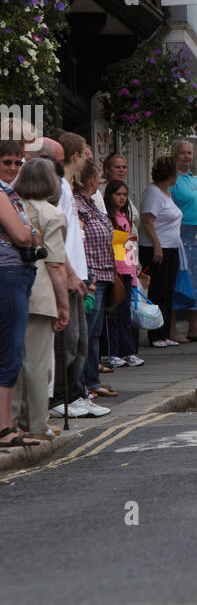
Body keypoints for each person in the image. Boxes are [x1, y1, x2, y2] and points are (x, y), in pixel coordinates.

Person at [47, 133, 108, 418]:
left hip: (78, 275)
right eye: (86, 152)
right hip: (65, 275)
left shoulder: (68, 188)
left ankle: (77, 393)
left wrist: (85, 273)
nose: (90, 157)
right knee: (68, 340)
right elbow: (56, 237)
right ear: (75, 157)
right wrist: (70, 273)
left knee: (81, 340)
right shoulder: (58, 187)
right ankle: (62, 398)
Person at [13, 156, 68, 441]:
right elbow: (56, 265)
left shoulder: (12, 207)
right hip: (40, 293)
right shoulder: (53, 214)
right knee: (36, 364)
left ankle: (12, 423)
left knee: (13, 360)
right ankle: (36, 424)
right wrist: (64, 304)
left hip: (10, 289)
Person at [0, 140, 41, 447]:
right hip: (9, 275)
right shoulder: (1, 193)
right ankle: (4, 427)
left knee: (10, 350)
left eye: (18, 163)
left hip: (15, 275)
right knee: (10, 351)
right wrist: (32, 234)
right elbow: (21, 234)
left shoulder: (9, 192)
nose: (13, 168)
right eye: (7, 162)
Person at [73, 159, 118, 403]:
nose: (99, 181)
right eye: (98, 177)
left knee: (95, 333)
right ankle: (81, 385)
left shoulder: (90, 204)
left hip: (103, 273)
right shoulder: (77, 205)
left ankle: (91, 381)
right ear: (90, 180)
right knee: (87, 333)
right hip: (91, 275)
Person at [169, 141, 197, 341]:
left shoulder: (193, 178)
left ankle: (194, 327)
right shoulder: (173, 180)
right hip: (182, 235)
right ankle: (172, 329)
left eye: (189, 153)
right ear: (174, 155)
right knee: (181, 281)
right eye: (182, 153)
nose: (186, 157)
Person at [139, 156, 183, 347]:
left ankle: (164, 333)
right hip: (156, 249)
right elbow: (147, 220)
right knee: (157, 292)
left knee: (167, 291)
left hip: (171, 249)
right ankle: (155, 335)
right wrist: (157, 245)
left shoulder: (166, 193)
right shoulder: (153, 193)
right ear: (171, 176)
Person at [103, 179, 144, 367]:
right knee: (113, 313)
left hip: (127, 268)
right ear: (110, 195)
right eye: (118, 194)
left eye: (124, 195)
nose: (122, 198)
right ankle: (112, 352)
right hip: (114, 268)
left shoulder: (124, 216)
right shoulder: (107, 216)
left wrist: (134, 272)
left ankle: (128, 351)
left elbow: (129, 246)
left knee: (125, 313)